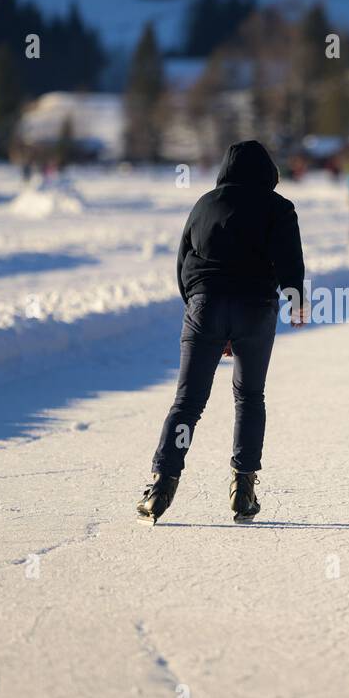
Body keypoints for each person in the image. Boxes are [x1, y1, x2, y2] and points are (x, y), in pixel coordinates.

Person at [137, 140, 306, 525]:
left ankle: (161, 485)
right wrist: (296, 298)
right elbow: (289, 259)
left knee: (188, 402)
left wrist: (200, 309)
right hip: (255, 310)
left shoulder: (204, 204)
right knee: (249, 397)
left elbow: (184, 263)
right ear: (269, 173)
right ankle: (243, 491)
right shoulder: (278, 207)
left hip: (205, 305)